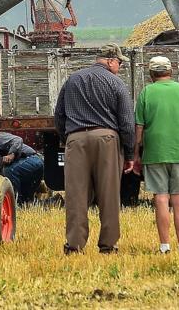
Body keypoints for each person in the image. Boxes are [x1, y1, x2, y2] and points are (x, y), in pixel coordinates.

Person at [53, 44, 136, 254]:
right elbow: (126, 122)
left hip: (76, 140)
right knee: (109, 195)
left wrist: (68, 138)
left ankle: (74, 245)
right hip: (107, 139)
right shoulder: (116, 83)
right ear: (109, 61)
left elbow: (59, 115)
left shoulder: (73, 80)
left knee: (75, 195)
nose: (120, 66)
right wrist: (129, 153)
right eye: (119, 62)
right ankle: (108, 245)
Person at [132, 56, 179, 254]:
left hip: (154, 152)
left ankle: (164, 246)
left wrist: (136, 153)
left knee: (161, 199)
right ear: (170, 71)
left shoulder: (146, 92)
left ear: (151, 74)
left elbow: (139, 126)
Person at [0, 128, 45, 205]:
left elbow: (18, 140)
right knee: (25, 201)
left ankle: (14, 203)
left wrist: (11, 154)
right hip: (27, 171)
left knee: (9, 170)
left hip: (34, 160)